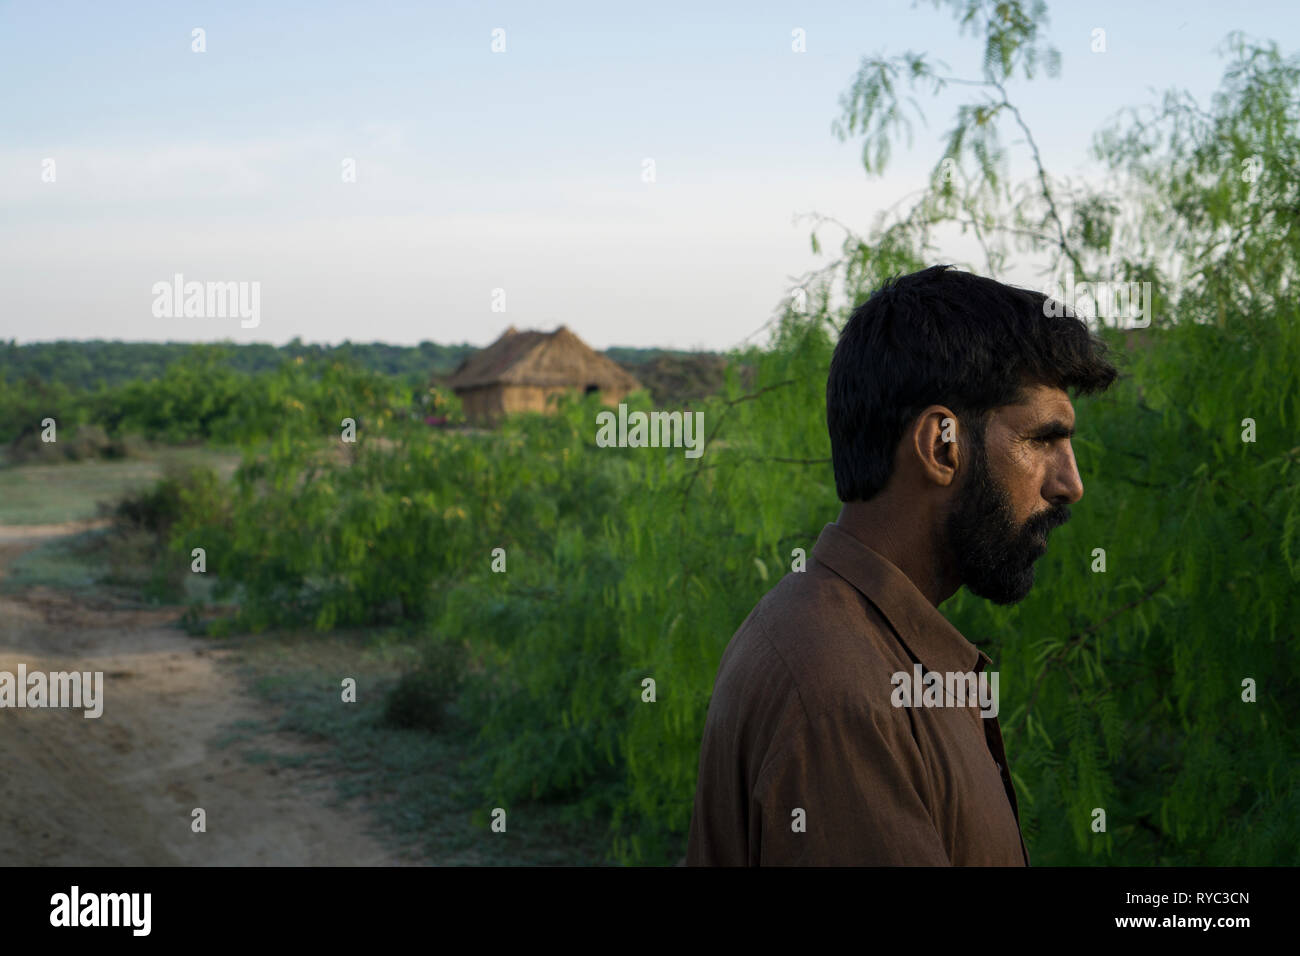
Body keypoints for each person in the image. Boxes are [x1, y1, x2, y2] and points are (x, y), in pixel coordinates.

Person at [686, 264, 1119, 865]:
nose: (1070, 484)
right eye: (1043, 440)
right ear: (943, 444)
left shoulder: (844, 641)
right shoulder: (844, 696)